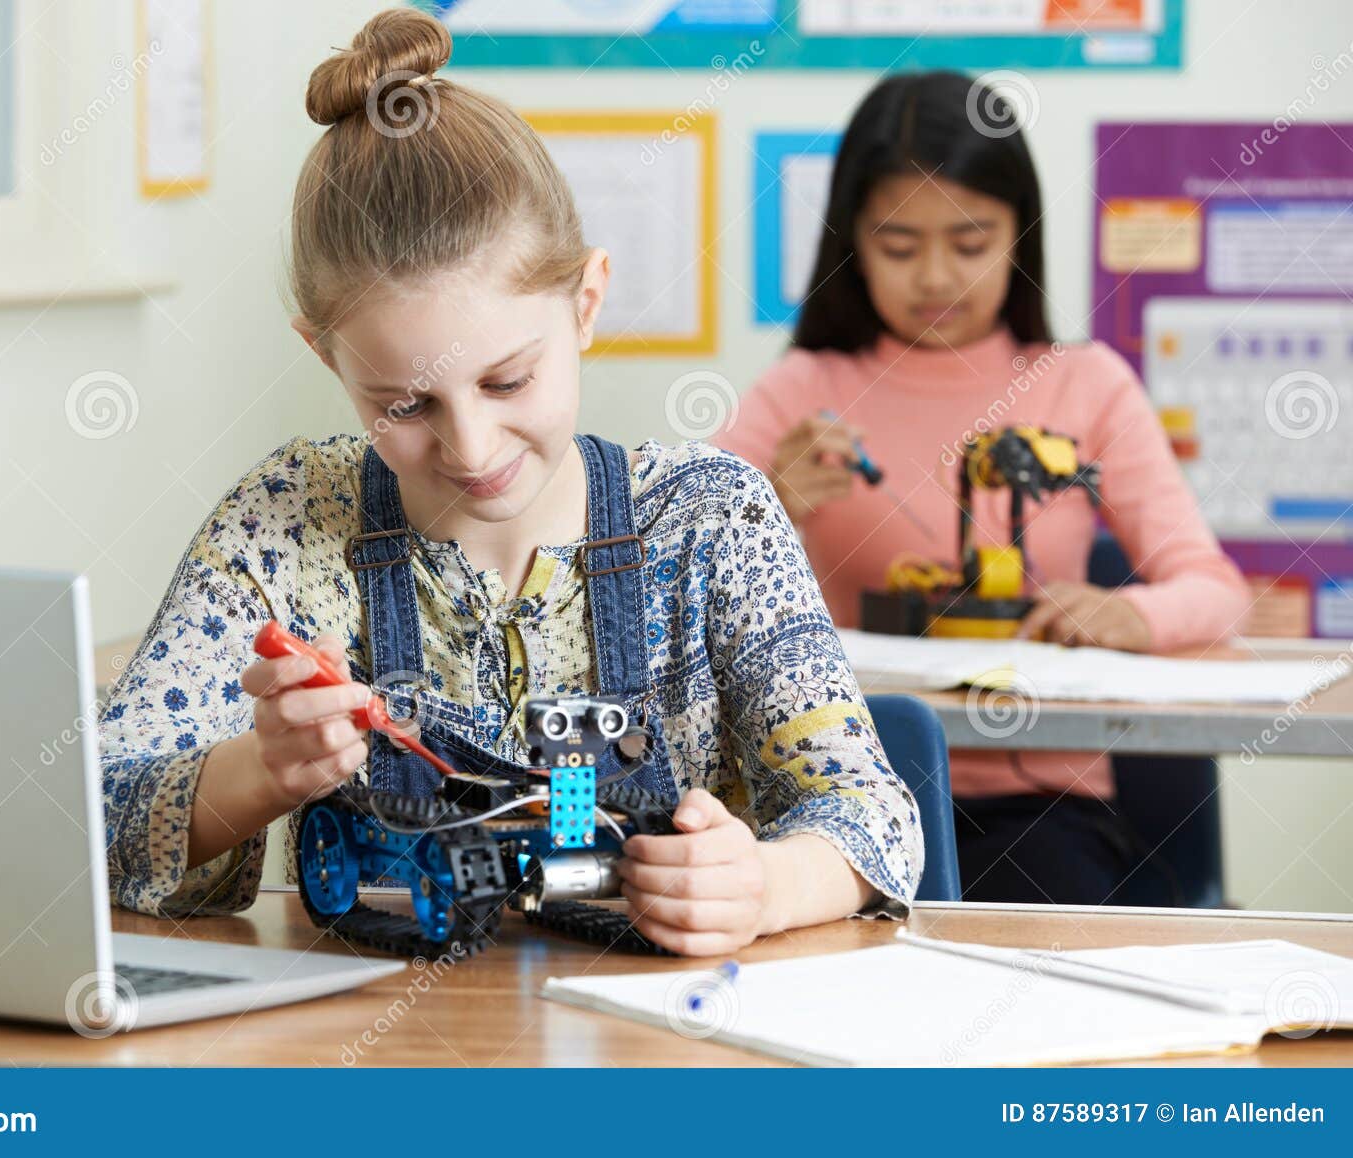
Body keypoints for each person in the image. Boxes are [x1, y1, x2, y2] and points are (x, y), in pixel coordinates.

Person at [96, 8, 922, 956]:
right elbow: (86, 829)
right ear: (326, 358)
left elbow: (874, 816)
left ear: (586, 302)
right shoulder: (284, 525)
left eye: (507, 379)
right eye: (406, 406)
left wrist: (768, 884)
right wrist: (258, 771)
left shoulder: (711, 518)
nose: (472, 446)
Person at [715, 71, 1249, 906]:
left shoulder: (1086, 385)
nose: (936, 277)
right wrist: (768, 502)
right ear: (851, 241)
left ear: (1020, 235)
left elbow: (1216, 592)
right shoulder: (801, 388)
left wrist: (1131, 613)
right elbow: (667, 579)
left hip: (1036, 807)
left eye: (971, 244)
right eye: (898, 245)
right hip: (835, 799)